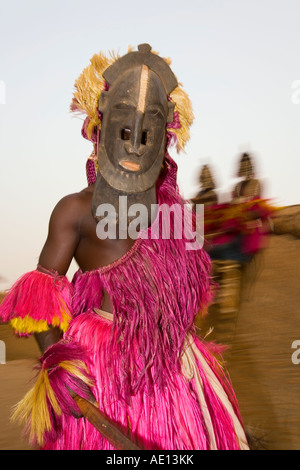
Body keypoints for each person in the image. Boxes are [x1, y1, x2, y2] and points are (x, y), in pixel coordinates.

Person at [0, 44, 249, 450]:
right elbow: (37, 302)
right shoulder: (75, 210)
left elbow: (183, 293)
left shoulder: (175, 213)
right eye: (124, 130)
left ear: (164, 141)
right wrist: (57, 364)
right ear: (98, 134)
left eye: (147, 133)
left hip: (169, 365)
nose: (135, 145)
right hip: (101, 368)